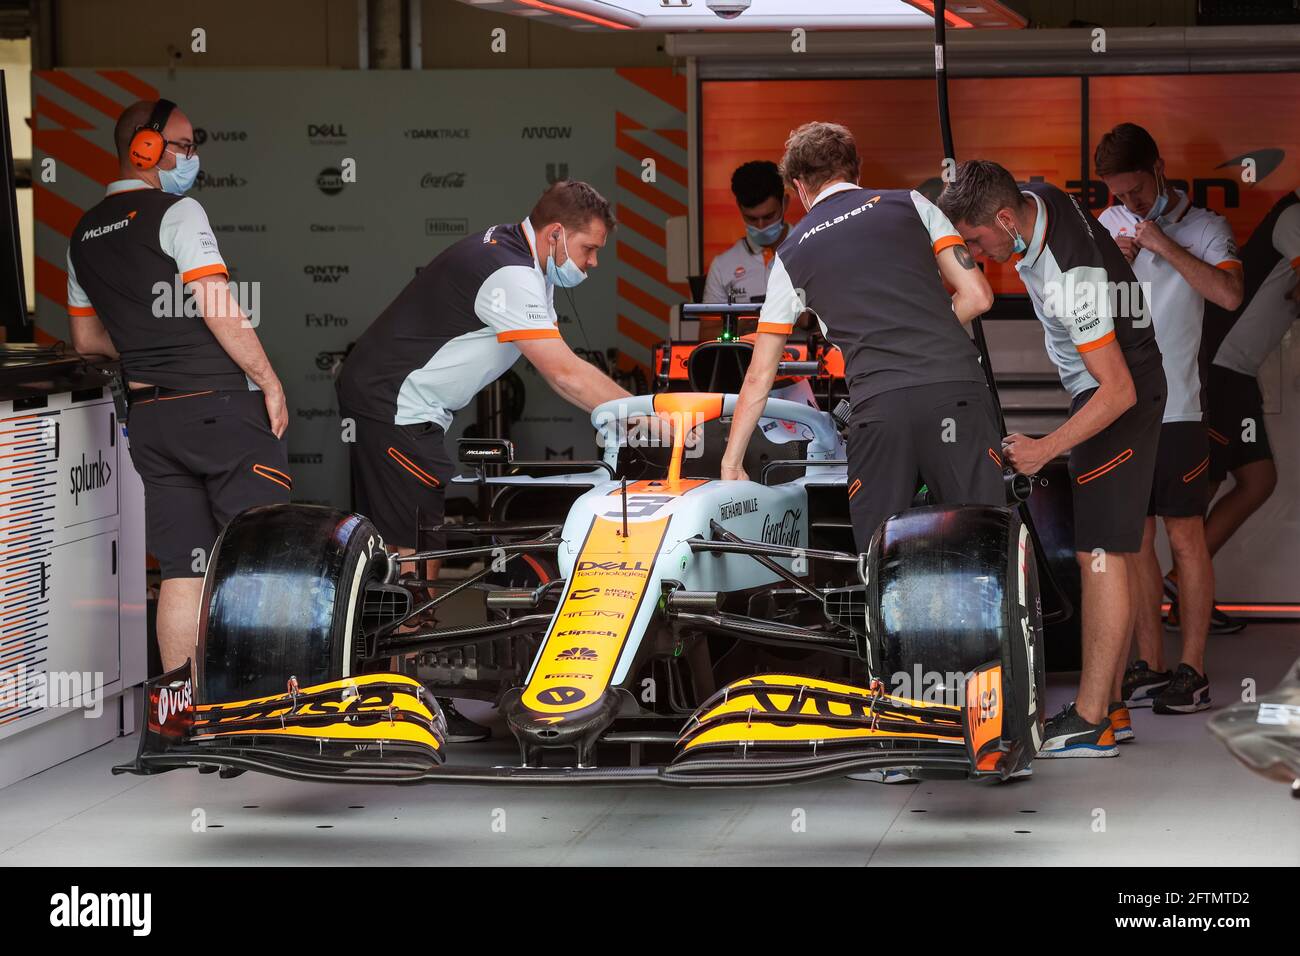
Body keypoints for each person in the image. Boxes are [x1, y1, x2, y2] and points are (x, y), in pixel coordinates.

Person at [335, 180, 637, 742]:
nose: (593, 264)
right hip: (393, 405)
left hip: (404, 406)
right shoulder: (511, 273)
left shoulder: (520, 260)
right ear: (554, 235)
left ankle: (392, 699)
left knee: (411, 549)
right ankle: (397, 709)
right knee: (411, 555)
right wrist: (646, 416)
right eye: (589, 250)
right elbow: (564, 374)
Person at [938, 160, 1165, 758]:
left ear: (1007, 219)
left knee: (1100, 553)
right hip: (1101, 387)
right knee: (1107, 547)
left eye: (978, 241)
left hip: (1116, 396)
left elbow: (1119, 390)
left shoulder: (1074, 276)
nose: (977, 255)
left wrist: (1044, 449)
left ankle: (1090, 720)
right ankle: (1111, 707)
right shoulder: (1035, 199)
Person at [66, 99, 290, 674]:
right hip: (219, 409)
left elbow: (88, 340)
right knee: (260, 557)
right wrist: (268, 380)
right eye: (184, 146)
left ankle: (182, 716)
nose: (194, 158)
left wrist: (148, 345)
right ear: (144, 148)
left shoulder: (82, 234)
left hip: (151, 420)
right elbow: (218, 305)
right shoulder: (178, 212)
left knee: (184, 571)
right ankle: (258, 708)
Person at [720, 122, 1002, 556]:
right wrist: (926, 330)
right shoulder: (912, 203)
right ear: (857, 169)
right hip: (955, 393)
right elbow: (978, 296)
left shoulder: (791, 253)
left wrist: (731, 461)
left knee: (881, 558)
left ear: (798, 186)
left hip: (880, 408)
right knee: (983, 547)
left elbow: (760, 373)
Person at [1095, 123, 1243, 717]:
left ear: (1158, 168)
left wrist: (1162, 246)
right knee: (1135, 542)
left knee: (1185, 537)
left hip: (1181, 407)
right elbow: (1075, 312)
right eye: (1117, 194)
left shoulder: (1205, 227)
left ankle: (1194, 669)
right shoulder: (1105, 228)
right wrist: (1116, 269)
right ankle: (1152, 665)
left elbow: (1231, 295)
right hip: (1122, 407)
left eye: (1134, 190)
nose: (1127, 204)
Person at [1201, 187, 1300, 621]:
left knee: (1251, 479)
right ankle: (1183, 590)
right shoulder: (1293, 218)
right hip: (1221, 366)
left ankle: (1182, 585)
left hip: (1234, 371)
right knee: (1204, 488)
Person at [702, 161, 791, 305]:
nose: (761, 226)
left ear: (785, 203)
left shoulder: (810, 253)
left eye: (769, 216)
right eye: (752, 218)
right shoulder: (722, 266)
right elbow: (708, 328)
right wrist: (746, 322)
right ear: (739, 208)